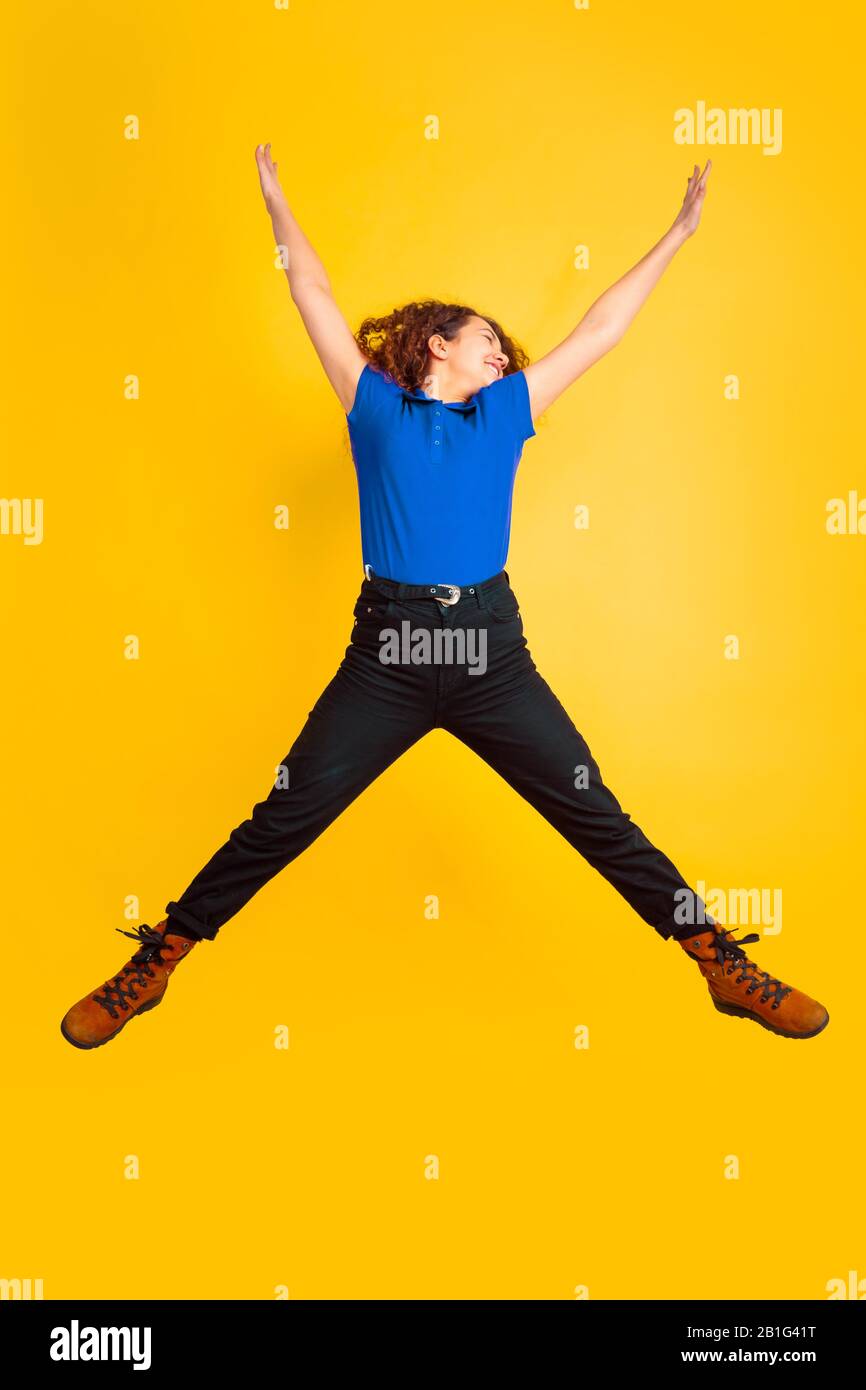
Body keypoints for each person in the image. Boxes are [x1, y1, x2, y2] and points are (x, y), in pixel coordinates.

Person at [60, 147, 828, 1050]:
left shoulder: (504, 414)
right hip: (387, 653)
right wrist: (277, 205)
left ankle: (716, 962)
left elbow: (600, 330)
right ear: (437, 346)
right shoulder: (375, 406)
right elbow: (309, 292)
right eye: (486, 341)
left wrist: (677, 235)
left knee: (593, 809)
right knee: (287, 813)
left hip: (487, 654)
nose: (501, 353)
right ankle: (158, 961)